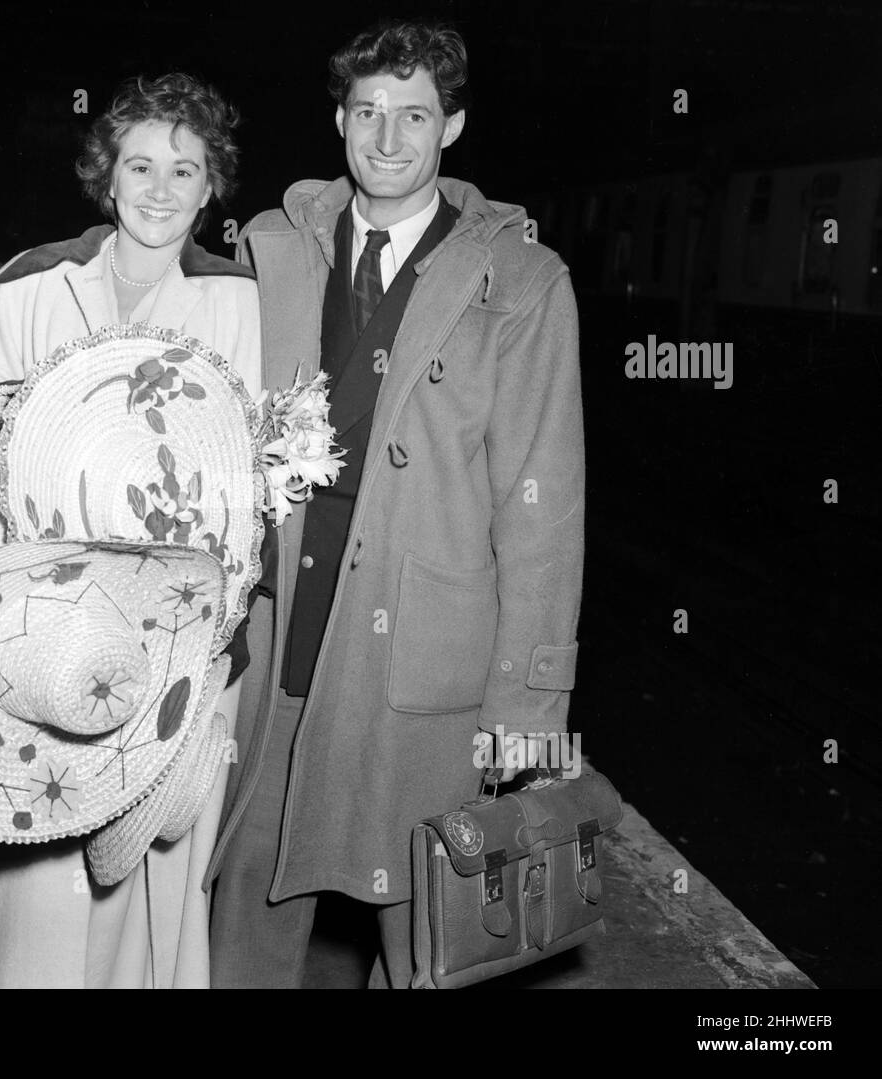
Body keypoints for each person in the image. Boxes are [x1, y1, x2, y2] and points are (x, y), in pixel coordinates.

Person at [207, 18, 586, 988]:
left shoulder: (525, 280)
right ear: (338, 118)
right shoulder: (269, 249)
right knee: (246, 906)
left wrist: (530, 705)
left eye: (412, 115)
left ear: (450, 126)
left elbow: (542, 505)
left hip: (423, 664)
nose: (387, 139)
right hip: (278, 641)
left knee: (427, 936)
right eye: (367, 113)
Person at [0, 72, 262, 988]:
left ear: (212, 185)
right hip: (28, 631)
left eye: (184, 170)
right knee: (23, 876)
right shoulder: (28, 283)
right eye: (139, 164)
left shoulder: (243, 302)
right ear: (106, 176)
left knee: (144, 871)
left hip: (180, 634)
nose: (158, 188)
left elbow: (263, 476)